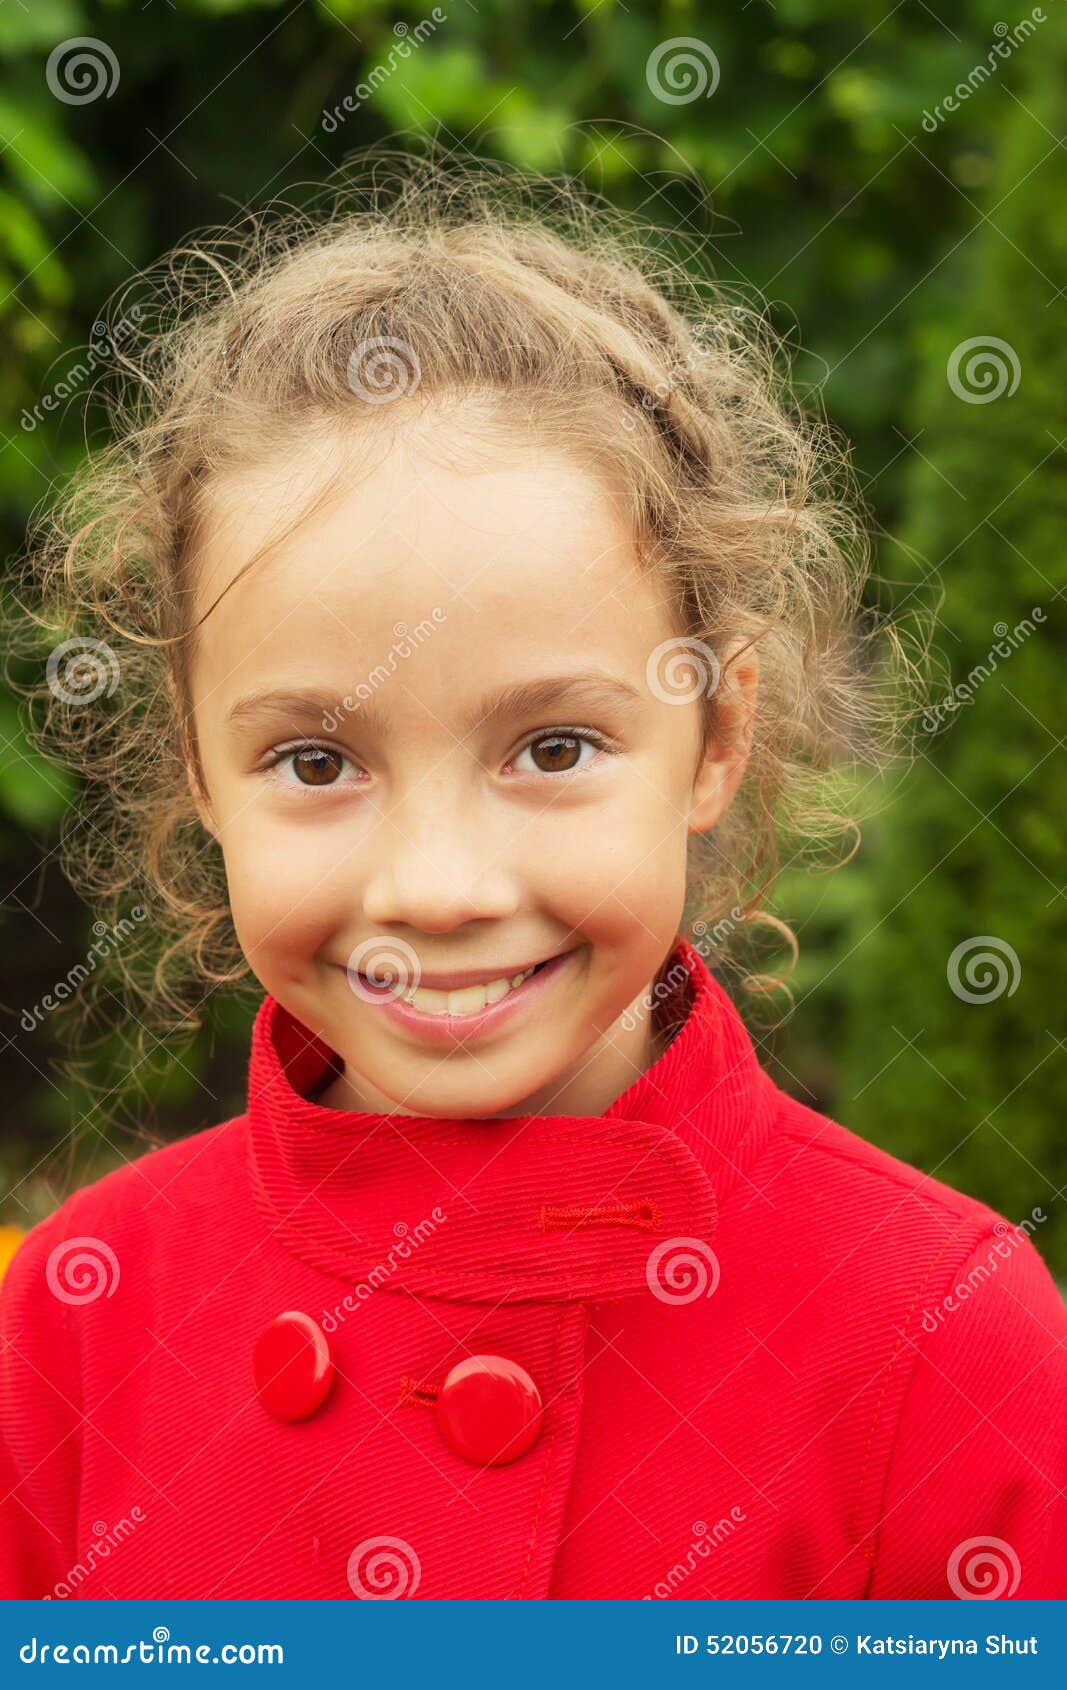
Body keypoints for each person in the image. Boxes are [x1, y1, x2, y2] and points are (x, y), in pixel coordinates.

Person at [1, 153, 1063, 1601]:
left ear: (716, 737)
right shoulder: (79, 1319)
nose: (437, 887)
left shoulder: (941, 1335)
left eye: (552, 744)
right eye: (316, 762)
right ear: (198, 768)